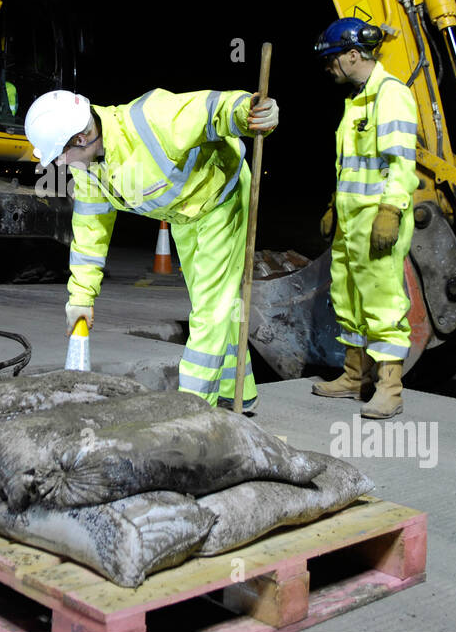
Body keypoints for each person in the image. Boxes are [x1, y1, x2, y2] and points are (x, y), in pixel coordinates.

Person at [24, 87, 278, 411]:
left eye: (59, 155)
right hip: (183, 215)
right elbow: (90, 234)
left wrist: (251, 111)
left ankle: (194, 410)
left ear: (83, 136)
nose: (59, 164)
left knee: (210, 308)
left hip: (221, 200)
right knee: (210, 301)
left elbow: (212, 108)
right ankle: (236, 390)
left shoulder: (152, 119)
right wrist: (81, 299)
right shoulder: (87, 170)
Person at [309, 18, 419, 418]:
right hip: (351, 221)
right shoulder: (359, 100)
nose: (329, 67)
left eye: (333, 59)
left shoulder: (391, 96)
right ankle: (354, 376)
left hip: (377, 221)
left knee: (383, 302)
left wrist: (390, 211)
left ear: (354, 54)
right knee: (349, 298)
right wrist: (333, 207)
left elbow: (401, 162)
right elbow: (352, 166)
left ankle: (390, 389)